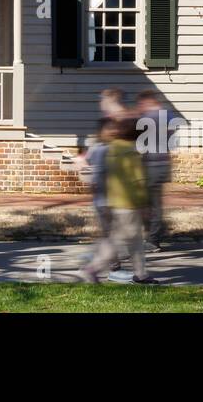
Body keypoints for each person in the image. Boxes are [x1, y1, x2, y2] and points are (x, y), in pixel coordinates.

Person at [103, 116, 157, 284]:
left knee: (115, 238)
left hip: (114, 202)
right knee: (135, 242)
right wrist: (145, 203)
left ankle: (109, 267)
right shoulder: (131, 152)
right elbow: (139, 181)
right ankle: (140, 275)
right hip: (130, 203)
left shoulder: (111, 150)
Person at [77, 117, 121, 282]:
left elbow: (84, 161)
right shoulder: (104, 149)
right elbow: (84, 161)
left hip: (108, 200)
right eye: (110, 128)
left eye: (115, 128)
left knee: (110, 234)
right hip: (106, 201)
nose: (114, 131)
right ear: (102, 131)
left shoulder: (104, 148)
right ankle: (101, 266)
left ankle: (98, 262)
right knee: (114, 235)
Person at [134, 90, 174, 249]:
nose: (139, 106)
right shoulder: (167, 115)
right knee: (149, 203)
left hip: (153, 165)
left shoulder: (149, 118)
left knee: (151, 204)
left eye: (141, 103)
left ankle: (153, 240)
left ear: (148, 101)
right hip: (160, 163)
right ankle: (155, 233)